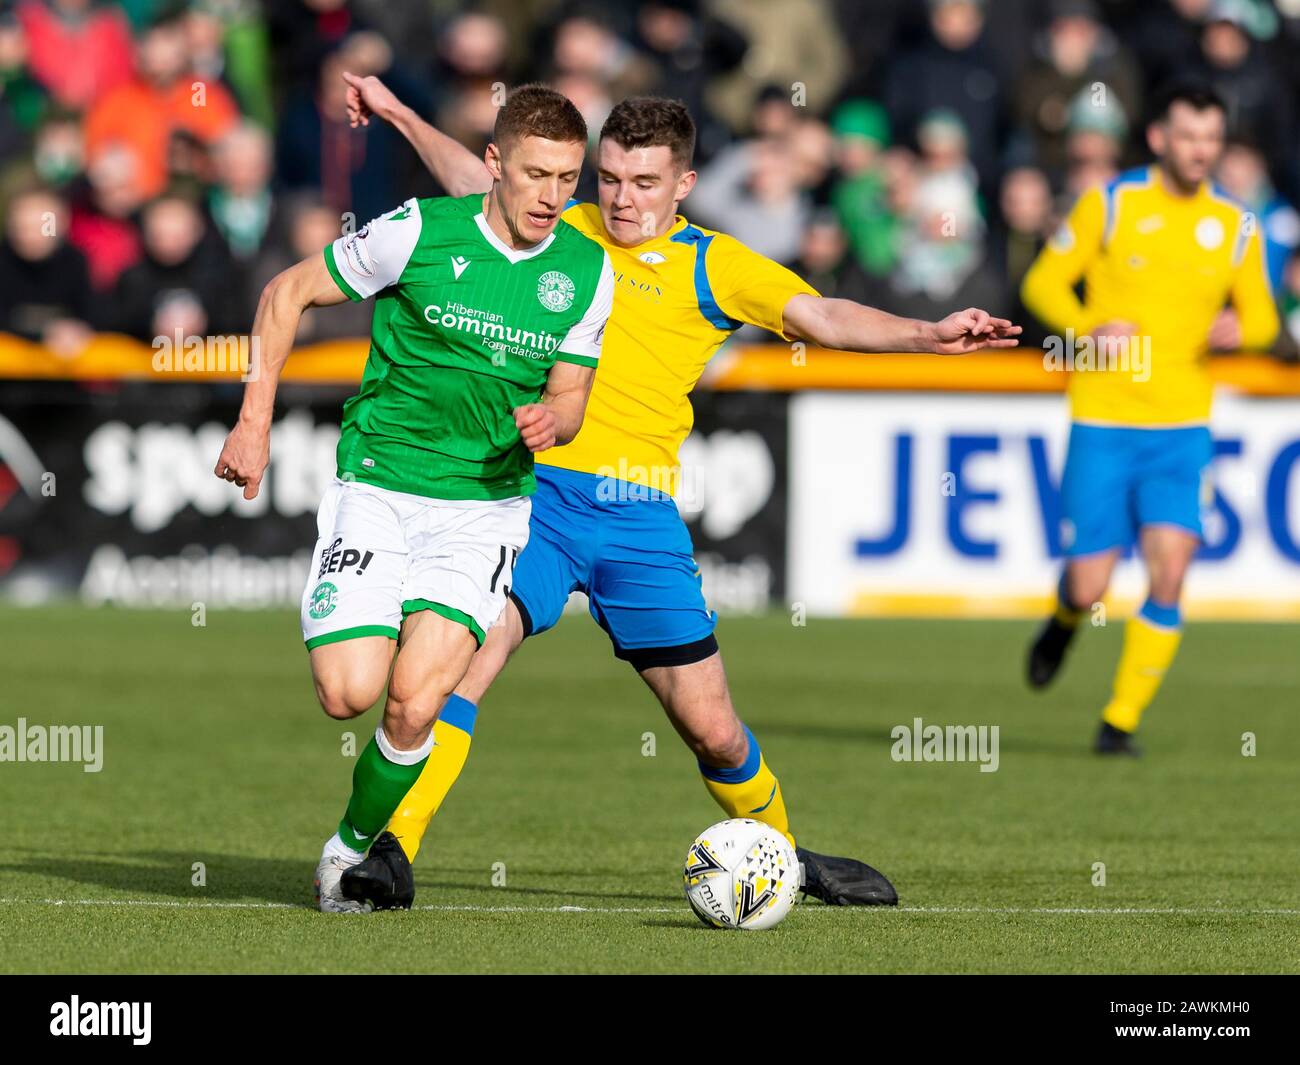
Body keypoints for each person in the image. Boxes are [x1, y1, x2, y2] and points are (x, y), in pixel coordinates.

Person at [337, 73, 1020, 911]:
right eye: (611, 178)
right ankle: (393, 850)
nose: (621, 200)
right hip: (529, 497)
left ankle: (784, 858)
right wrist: (401, 111)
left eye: (645, 183)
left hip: (638, 521)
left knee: (712, 726)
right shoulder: (562, 225)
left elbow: (825, 318)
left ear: (685, 184)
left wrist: (926, 334)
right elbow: (470, 176)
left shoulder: (713, 264)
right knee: (459, 670)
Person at [212, 85, 614, 912]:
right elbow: (285, 293)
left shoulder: (586, 270)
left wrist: (556, 419)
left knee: (417, 699)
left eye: (568, 179)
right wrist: (254, 421)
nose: (552, 196)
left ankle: (346, 853)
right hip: (381, 486)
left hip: (485, 507)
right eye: (537, 174)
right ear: (494, 165)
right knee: (347, 693)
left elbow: (572, 397)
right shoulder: (420, 232)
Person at [1021, 84, 1278, 754]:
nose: (1201, 151)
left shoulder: (1236, 222)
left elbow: (1265, 314)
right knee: (1091, 579)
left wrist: (1241, 329)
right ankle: (1065, 619)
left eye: (1212, 140)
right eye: (1189, 137)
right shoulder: (1110, 203)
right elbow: (1042, 282)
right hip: (1103, 420)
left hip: (1182, 428)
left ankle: (1119, 722)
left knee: (1170, 571)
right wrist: (1086, 326)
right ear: (1161, 139)